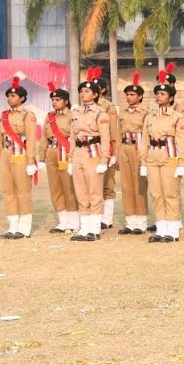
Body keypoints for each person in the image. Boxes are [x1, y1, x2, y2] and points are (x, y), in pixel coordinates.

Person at [141, 70, 184, 243]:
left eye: (163, 94)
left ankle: (173, 229)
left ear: (170, 98)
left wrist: (182, 163)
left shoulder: (178, 118)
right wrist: (143, 162)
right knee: (156, 194)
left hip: (170, 158)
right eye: (157, 94)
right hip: (153, 158)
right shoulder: (150, 117)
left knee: (170, 194)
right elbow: (145, 140)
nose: (159, 96)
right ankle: (161, 228)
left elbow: (182, 141)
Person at [69, 68, 111, 242]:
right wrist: (70, 159)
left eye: (86, 91)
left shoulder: (101, 113)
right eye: (81, 91)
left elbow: (105, 137)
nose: (82, 94)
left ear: (95, 95)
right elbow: (72, 136)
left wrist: (104, 159)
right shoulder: (75, 112)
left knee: (94, 192)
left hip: (93, 152)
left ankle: (94, 229)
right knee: (81, 192)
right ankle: (84, 227)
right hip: (78, 153)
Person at [0, 76, 39, 239]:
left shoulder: (28, 115)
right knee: (8, 191)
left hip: (20, 155)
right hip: (6, 155)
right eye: (8, 96)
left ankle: (24, 227)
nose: (9, 98)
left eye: (13, 96)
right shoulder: (3, 114)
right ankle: (12, 225)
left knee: (22, 191)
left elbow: (31, 138)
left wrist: (30, 162)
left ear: (22, 98)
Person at [39, 83, 81, 234]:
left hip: (65, 152)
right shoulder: (49, 117)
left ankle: (74, 221)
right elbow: (44, 137)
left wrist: (73, 156)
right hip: (51, 151)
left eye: (57, 99)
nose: (54, 102)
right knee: (55, 187)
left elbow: (75, 136)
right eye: (53, 99)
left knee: (68, 186)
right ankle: (62, 221)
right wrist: (41, 157)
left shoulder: (73, 115)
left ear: (66, 101)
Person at [115, 74, 150, 236]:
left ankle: (141, 222)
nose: (129, 98)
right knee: (126, 185)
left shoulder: (145, 113)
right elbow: (117, 134)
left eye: (132, 95)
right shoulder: (122, 113)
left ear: (140, 97)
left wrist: (145, 155)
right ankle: (130, 221)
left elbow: (147, 135)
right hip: (124, 148)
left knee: (139, 185)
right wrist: (116, 155)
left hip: (138, 147)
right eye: (127, 95)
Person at [95, 75, 120, 230]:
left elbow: (114, 132)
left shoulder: (108, 107)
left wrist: (114, 153)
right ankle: (95, 217)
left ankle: (107, 218)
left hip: (106, 148)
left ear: (103, 90)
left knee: (107, 185)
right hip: (90, 149)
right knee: (93, 185)